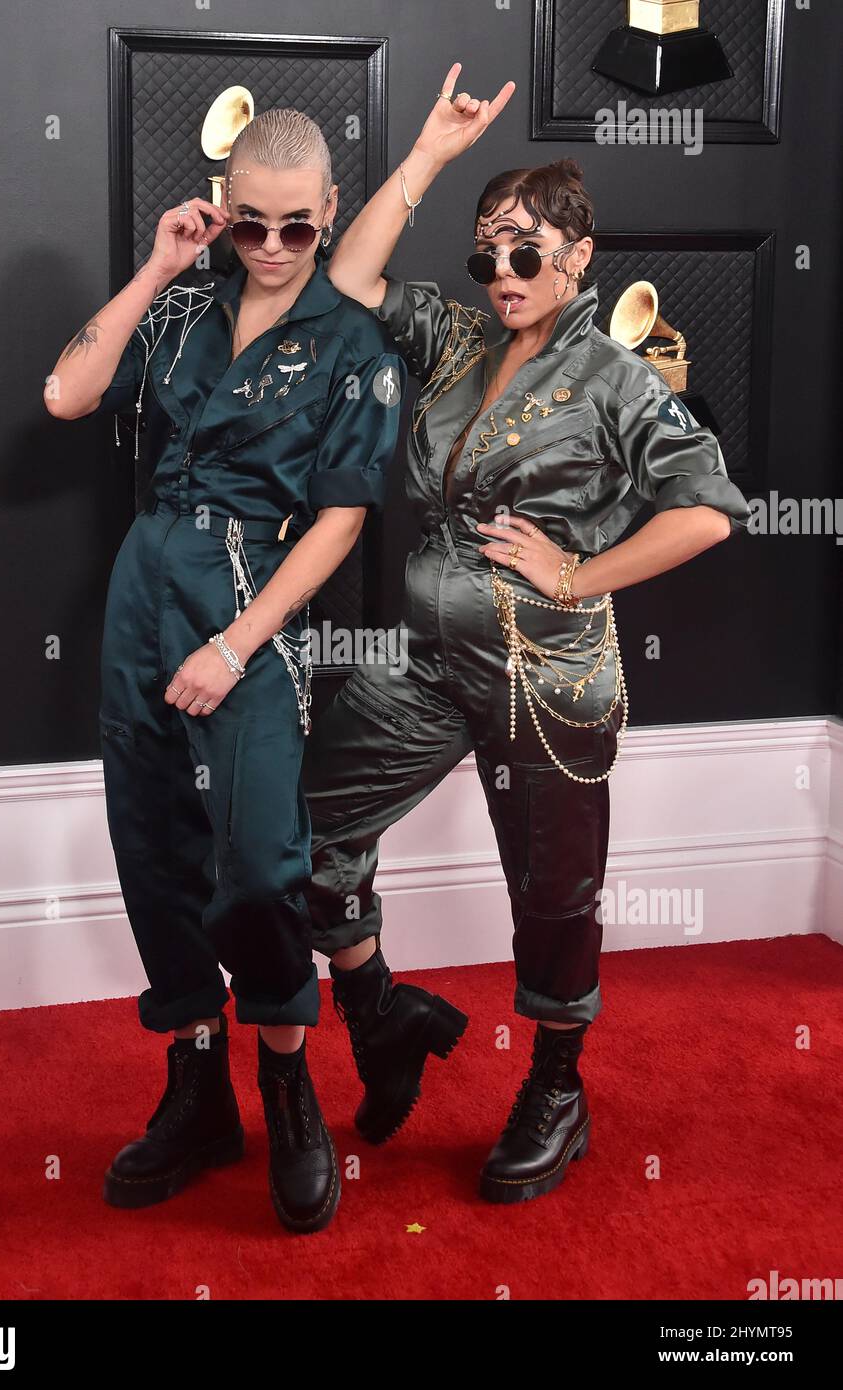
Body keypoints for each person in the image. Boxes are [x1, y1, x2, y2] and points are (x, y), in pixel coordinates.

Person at [302, 64, 751, 1203]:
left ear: (578, 255)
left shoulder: (614, 378)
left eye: (525, 252)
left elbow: (706, 508)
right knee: (305, 827)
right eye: (486, 254)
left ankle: (557, 1088)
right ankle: (382, 1013)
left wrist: (581, 569)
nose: (501, 274)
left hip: (544, 678)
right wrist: (428, 160)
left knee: (551, 897)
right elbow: (349, 278)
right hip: (428, 660)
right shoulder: (454, 340)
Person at [43, 108, 406, 1233]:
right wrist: (158, 263)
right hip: (144, 579)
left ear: (329, 216)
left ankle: (286, 1080)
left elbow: (341, 524)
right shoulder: (182, 307)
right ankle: (196, 1092)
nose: (271, 247)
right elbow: (64, 393)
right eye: (250, 224)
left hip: (253, 595)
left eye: (297, 228)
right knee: (154, 844)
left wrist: (235, 643)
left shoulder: (353, 342)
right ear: (224, 207)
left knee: (255, 860)